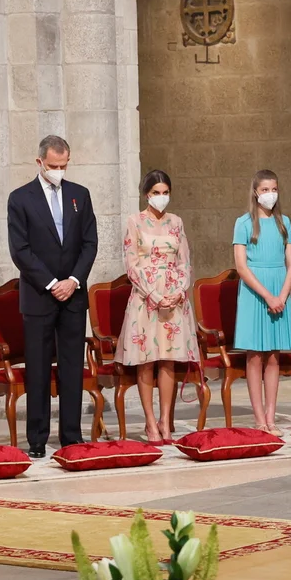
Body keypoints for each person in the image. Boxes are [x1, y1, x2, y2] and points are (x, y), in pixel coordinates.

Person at [7, 135, 97, 457]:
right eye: (53, 165)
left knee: (72, 366)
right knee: (39, 367)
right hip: (39, 295)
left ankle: (71, 435)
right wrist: (50, 283)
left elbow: (90, 243)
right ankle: (37, 439)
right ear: (40, 162)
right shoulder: (20, 198)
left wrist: (72, 280)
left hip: (73, 295)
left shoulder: (79, 195)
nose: (59, 171)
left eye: (64, 165)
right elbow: (20, 250)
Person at [118, 170, 199, 443]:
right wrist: (153, 294)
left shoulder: (176, 222)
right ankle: (150, 423)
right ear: (146, 194)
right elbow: (131, 265)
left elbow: (184, 261)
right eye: (156, 193)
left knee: (168, 359)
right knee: (147, 360)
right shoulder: (135, 221)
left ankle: (165, 421)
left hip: (173, 299)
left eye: (165, 193)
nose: (161, 197)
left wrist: (178, 291)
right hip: (146, 299)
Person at [231, 170, 291, 435]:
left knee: (273, 357)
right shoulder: (244, 223)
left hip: (280, 291)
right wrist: (268, 296)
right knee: (255, 356)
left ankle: (271, 417)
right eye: (265, 189)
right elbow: (241, 266)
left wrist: (281, 295)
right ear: (256, 192)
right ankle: (259, 418)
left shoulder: (284, 222)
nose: (270, 194)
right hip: (255, 293)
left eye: (274, 189)